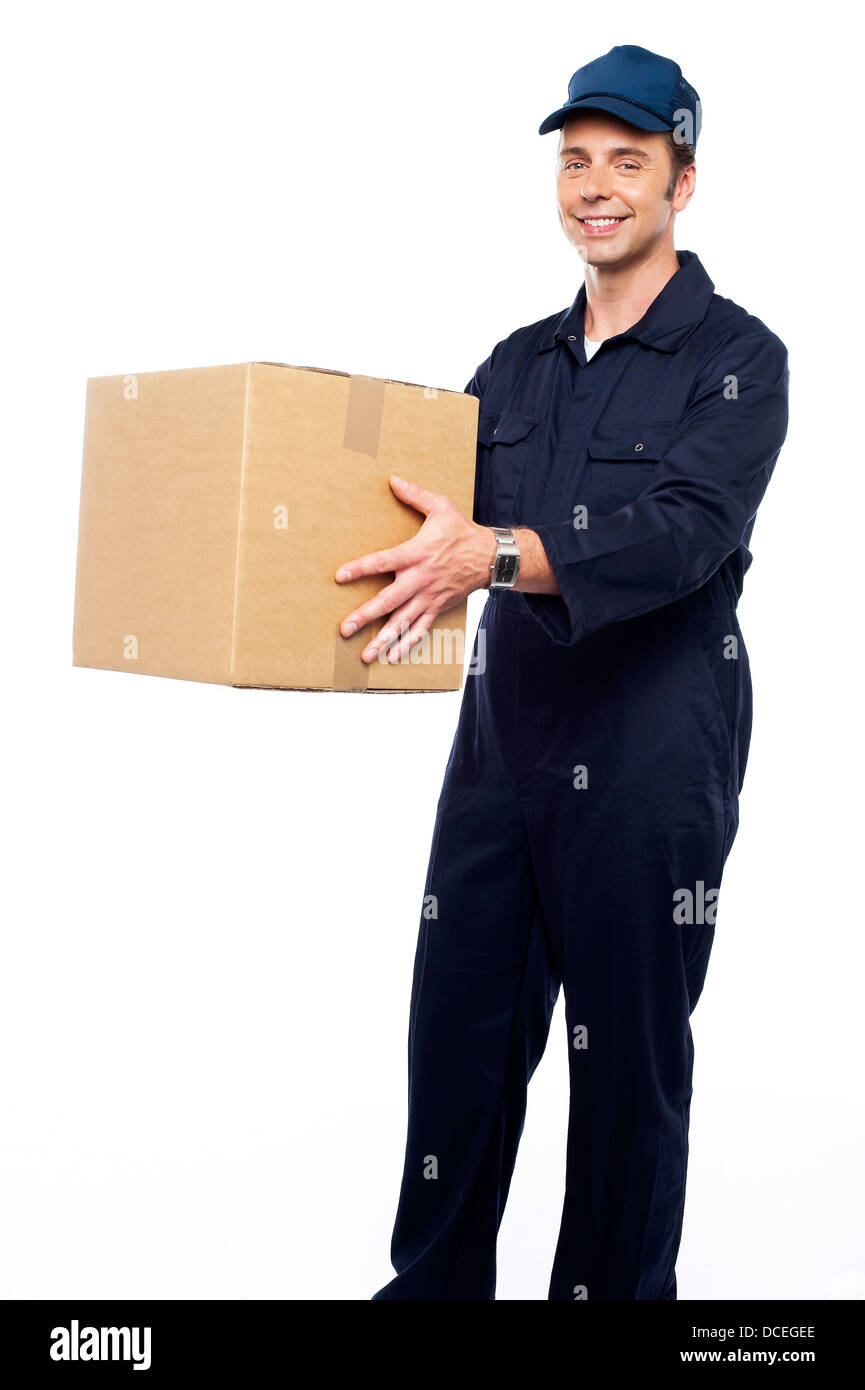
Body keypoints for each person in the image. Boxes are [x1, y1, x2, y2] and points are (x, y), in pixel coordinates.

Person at [335, 44, 790, 1300]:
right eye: (576, 161)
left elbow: (684, 532)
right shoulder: (515, 364)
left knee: (625, 1077)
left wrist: (493, 548)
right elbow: (427, 518)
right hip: (503, 751)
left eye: (626, 164)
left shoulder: (737, 360)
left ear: (680, 183)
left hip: (651, 757)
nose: (595, 187)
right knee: (458, 1050)